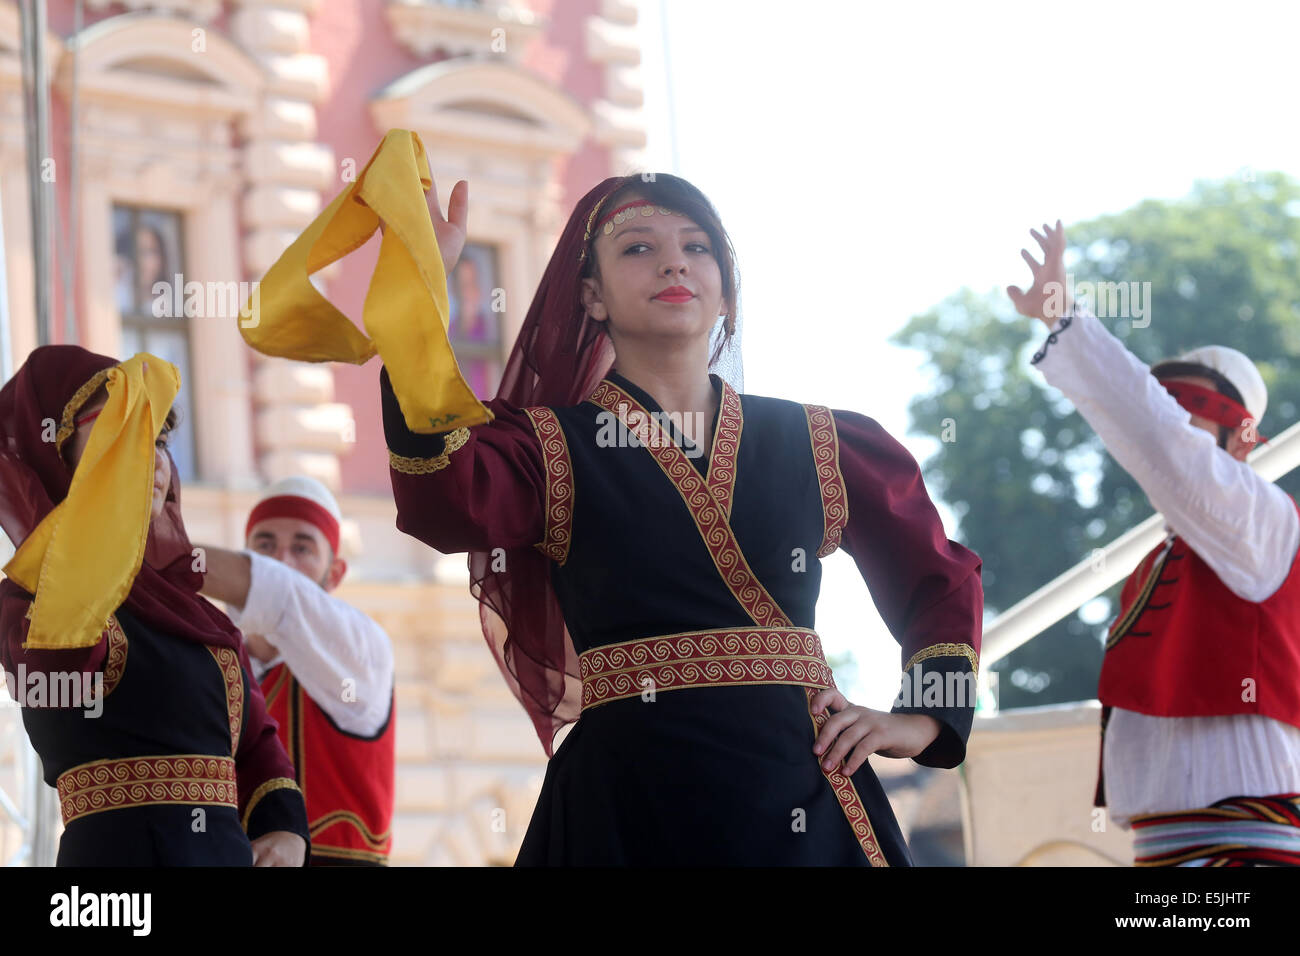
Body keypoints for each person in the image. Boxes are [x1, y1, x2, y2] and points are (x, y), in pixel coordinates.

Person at [244, 133, 983, 865]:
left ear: (725, 292)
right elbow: (447, 501)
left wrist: (923, 719)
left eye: (698, 248)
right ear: (590, 296)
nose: (673, 262)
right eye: (637, 247)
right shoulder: (546, 448)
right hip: (626, 806)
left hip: (805, 798)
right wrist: (419, 295)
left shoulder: (821, 441)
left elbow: (941, 574)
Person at [1009, 220, 1300, 867]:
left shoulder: (1267, 521)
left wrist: (1064, 320)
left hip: (1247, 848)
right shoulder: (1154, 565)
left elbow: (1164, 445)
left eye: (1195, 428)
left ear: (1245, 443)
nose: (1174, 441)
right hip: (1163, 851)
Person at [0, 346, 310, 866]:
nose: (153, 458)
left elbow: (257, 741)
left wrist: (286, 829)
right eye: (122, 435)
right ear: (58, 459)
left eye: (160, 439)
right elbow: (59, 672)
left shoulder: (199, 613)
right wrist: (94, 524)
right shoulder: (31, 598)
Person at [194, 476, 396, 865]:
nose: (281, 560)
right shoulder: (214, 662)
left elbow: (281, 593)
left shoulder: (363, 649)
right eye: (265, 545)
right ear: (247, 555)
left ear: (334, 574)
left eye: (302, 548)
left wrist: (152, 552)